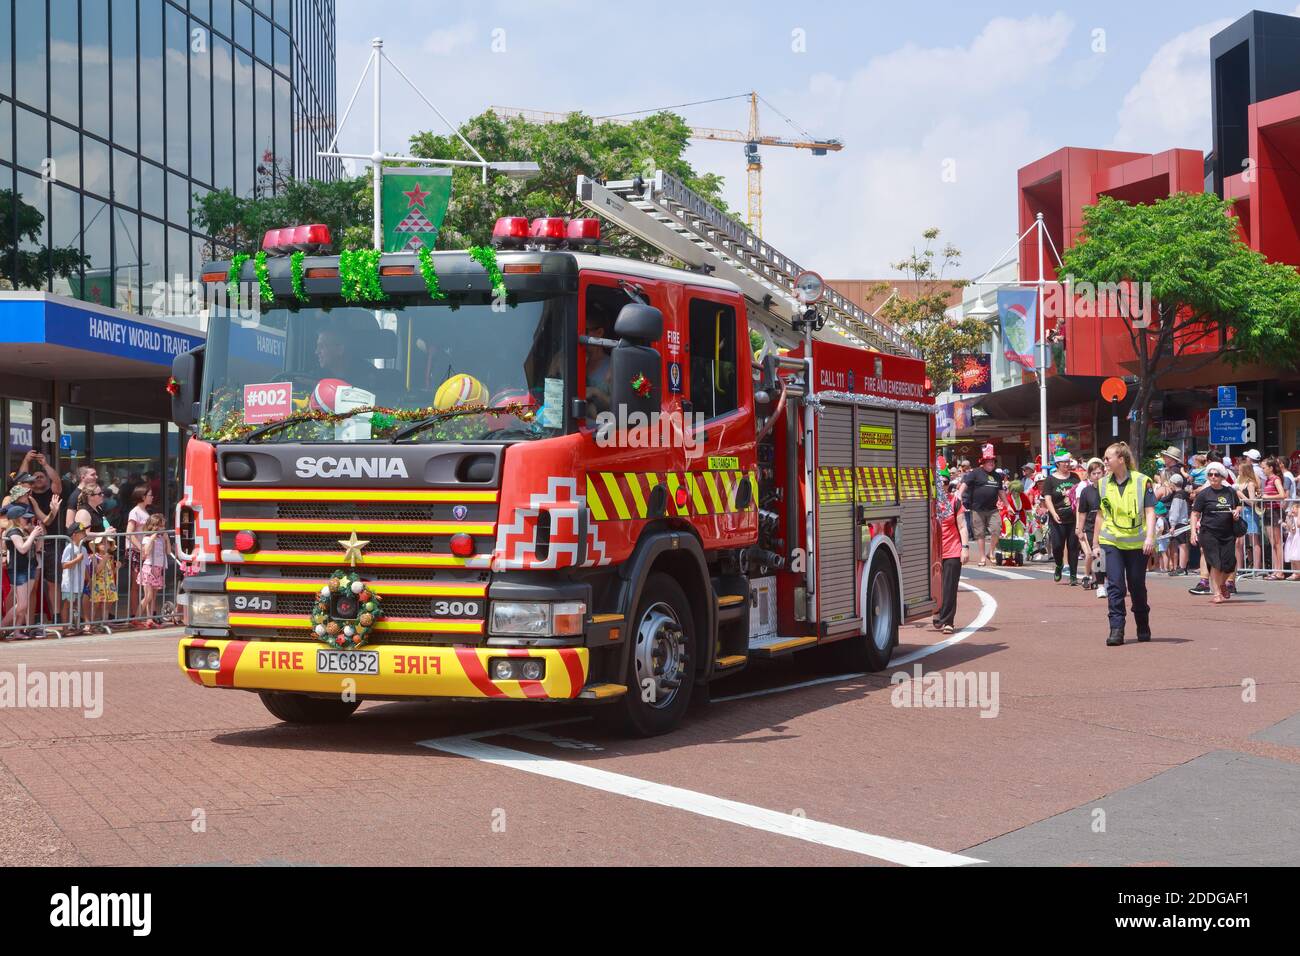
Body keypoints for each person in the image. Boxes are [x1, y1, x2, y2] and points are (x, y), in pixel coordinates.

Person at [1093, 441, 1156, 646]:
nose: (1105, 462)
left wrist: (1149, 538)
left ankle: (1142, 623)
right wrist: (1095, 544)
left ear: (1121, 459)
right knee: (1116, 586)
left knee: (1137, 586)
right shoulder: (1102, 483)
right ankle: (1116, 629)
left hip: (1137, 543)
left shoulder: (1142, 481)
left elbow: (1149, 512)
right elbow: (1101, 515)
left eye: (1108, 458)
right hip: (1111, 541)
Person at [1190, 462, 1242, 604]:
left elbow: (1238, 504)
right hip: (1209, 532)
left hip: (1228, 532)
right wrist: (1193, 532)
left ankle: (1222, 584)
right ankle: (1217, 593)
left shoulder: (1230, 491)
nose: (1213, 477)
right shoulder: (1204, 494)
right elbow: (1195, 514)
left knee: (1229, 563)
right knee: (1215, 563)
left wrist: (1237, 510)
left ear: (1222, 476)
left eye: (1216, 474)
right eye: (1210, 474)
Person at [932, 472, 969, 634]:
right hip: (932, 552)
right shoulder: (929, 502)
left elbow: (962, 526)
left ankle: (948, 621)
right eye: (939, 483)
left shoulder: (955, 501)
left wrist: (965, 547)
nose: (942, 485)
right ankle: (936, 611)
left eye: (945, 482)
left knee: (949, 587)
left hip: (952, 550)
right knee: (934, 586)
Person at [1, 505, 43, 639]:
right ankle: (3, 626)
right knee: (22, 604)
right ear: (17, 519)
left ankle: (17, 631)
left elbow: (36, 548)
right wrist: (33, 534)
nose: (29, 521)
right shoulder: (13, 532)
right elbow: (22, 548)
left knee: (23, 604)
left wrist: (39, 536)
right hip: (18, 569)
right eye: (25, 519)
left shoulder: (23, 531)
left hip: (29, 567)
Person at [1041, 449, 1082, 585]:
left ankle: (1073, 575)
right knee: (1057, 546)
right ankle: (1059, 565)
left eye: (1068, 462)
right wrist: (1053, 513)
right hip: (1057, 519)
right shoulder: (1050, 479)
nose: (1067, 464)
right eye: (1064, 462)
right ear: (1058, 464)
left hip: (1073, 518)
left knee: (1073, 547)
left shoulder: (1075, 477)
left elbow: (1079, 495)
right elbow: (1047, 499)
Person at [959, 452, 1003, 567]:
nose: (991, 464)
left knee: (996, 529)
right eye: (989, 462)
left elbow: (1001, 491)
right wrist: (959, 495)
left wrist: (1007, 504)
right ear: (983, 463)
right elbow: (965, 483)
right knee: (980, 534)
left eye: (993, 462)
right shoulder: (975, 473)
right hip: (977, 509)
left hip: (993, 509)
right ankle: (983, 557)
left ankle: (991, 552)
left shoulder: (997, 476)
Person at [1076, 458, 1107, 596]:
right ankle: (1100, 584)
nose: (1096, 476)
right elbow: (1082, 512)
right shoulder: (1086, 492)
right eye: (1093, 473)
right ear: (1089, 475)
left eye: (1099, 473)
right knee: (1097, 555)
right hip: (1090, 527)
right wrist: (1079, 528)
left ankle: (1106, 580)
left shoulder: (1109, 489)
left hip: (1107, 527)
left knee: (1108, 556)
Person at [59, 522, 90, 635]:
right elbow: (64, 564)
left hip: (79, 582)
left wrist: (88, 580)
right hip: (70, 582)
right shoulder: (69, 548)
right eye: (82, 532)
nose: (84, 534)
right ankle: (65, 628)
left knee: (76, 604)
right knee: (67, 604)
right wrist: (77, 560)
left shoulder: (84, 549)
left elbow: (85, 566)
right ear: (74, 535)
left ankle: (75, 625)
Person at [1260, 457, 1288, 579]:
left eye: (1264, 468)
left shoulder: (1276, 479)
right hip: (1267, 511)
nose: (1262, 470)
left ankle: (1280, 571)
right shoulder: (1267, 480)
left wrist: (1267, 497)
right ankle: (1276, 570)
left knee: (1277, 542)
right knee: (1273, 542)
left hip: (1275, 511)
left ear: (1271, 468)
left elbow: (1282, 495)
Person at [1234, 459, 1261, 575]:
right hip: (1240, 512)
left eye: (1240, 470)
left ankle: (1257, 568)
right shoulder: (1239, 481)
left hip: (1249, 511)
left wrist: (1240, 495)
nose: (1238, 471)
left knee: (1253, 540)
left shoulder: (1250, 483)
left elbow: (1252, 502)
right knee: (1238, 542)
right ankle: (1240, 568)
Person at [89, 535, 119, 627]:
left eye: (107, 543)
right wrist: (104, 559)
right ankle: (91, 623)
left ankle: (104, 621)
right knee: (96, 603)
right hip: (99, 583)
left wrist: (117, 567)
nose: (104, 545)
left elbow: (112, 571)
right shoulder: (94, 556)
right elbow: (96, 570)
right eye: (101, 543)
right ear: (97, 545)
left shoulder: (111, 557)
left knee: (107, 603)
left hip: (108, 583)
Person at [1166, 473, 1190, 575]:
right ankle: (1182, 567)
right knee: (1183, 545)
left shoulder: (1178, 496)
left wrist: (1172, 525)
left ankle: (1182, 568)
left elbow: (1175, 511)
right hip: (1183, 521)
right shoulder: (1184, 494)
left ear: (1173, 483)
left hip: (1180, 522)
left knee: (1182, 545)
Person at [1283, 501, 1300, 581]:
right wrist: (1288, 518)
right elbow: (1291, 530)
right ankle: (1295, 573)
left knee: (1296, 557)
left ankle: (1297, 573)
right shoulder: (1293, 518)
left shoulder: (1298, 518)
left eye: (1294, 508)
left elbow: (1299, 524)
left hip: (1298, 539)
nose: (1292, 510)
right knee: (1293, 557)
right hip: (1295, 539)